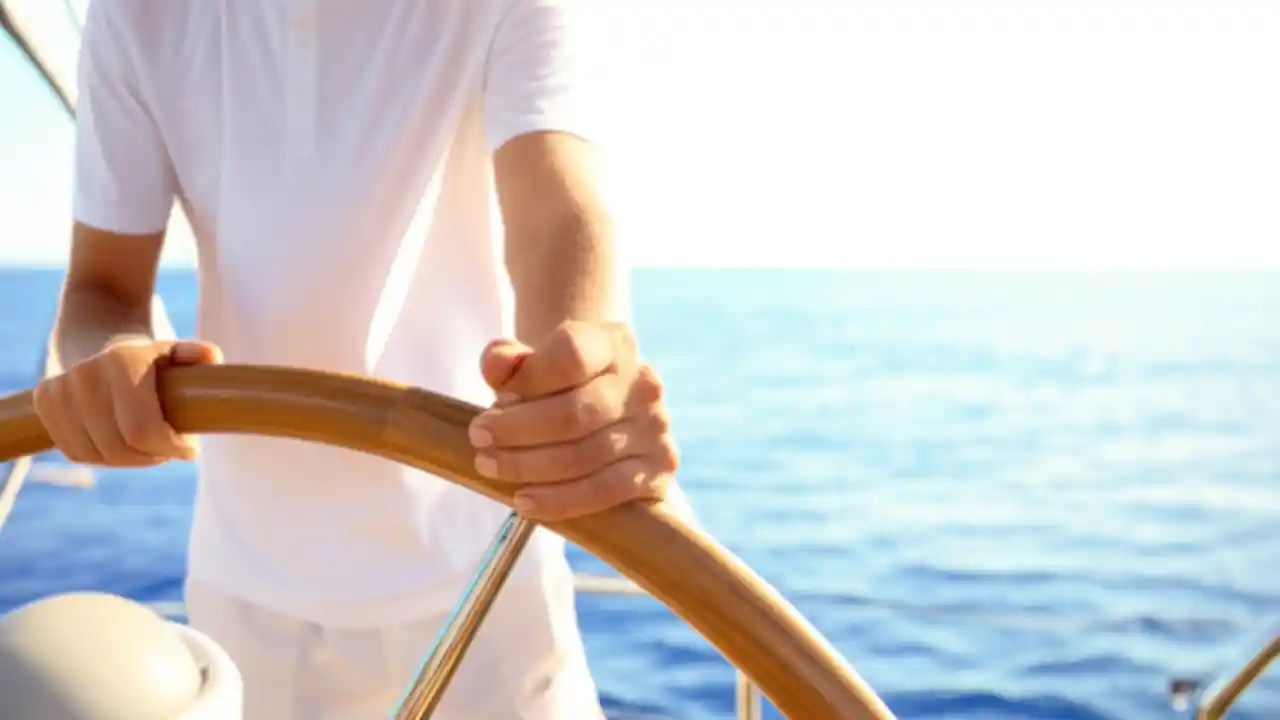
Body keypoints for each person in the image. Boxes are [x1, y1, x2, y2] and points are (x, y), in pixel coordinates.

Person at [32, 0, 681, 717]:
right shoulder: (136, 15)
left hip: (488, 574)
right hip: (246, 591)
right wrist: (107, 359)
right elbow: (101, 291)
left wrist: (579, 368)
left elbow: (557, 212)